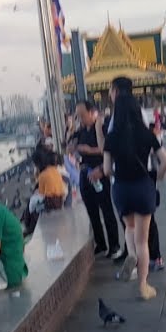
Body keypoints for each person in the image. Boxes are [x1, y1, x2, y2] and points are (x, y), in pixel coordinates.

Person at [105, 93, 166, 300]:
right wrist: (157, 177)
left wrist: (118, 176)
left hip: (121, 189)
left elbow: (106, 169)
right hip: (143, 187)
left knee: (129, 227)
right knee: (143, 241)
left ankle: (131, 254)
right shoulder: (146, 134)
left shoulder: (112, 137)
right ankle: (143, 286)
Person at [69, 101, 123, 259]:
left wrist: (89, 150)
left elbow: (106, 149)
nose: (80, 118)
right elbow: (68, 143)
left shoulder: (101, 128)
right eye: (78, 116)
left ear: (92, 112)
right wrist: (72, 134)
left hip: (99, 172)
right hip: (85, 173)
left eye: (82, 115)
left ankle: (114, 245)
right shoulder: (80, 131)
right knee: (92, 211)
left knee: (106, 209)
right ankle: (100, 243)